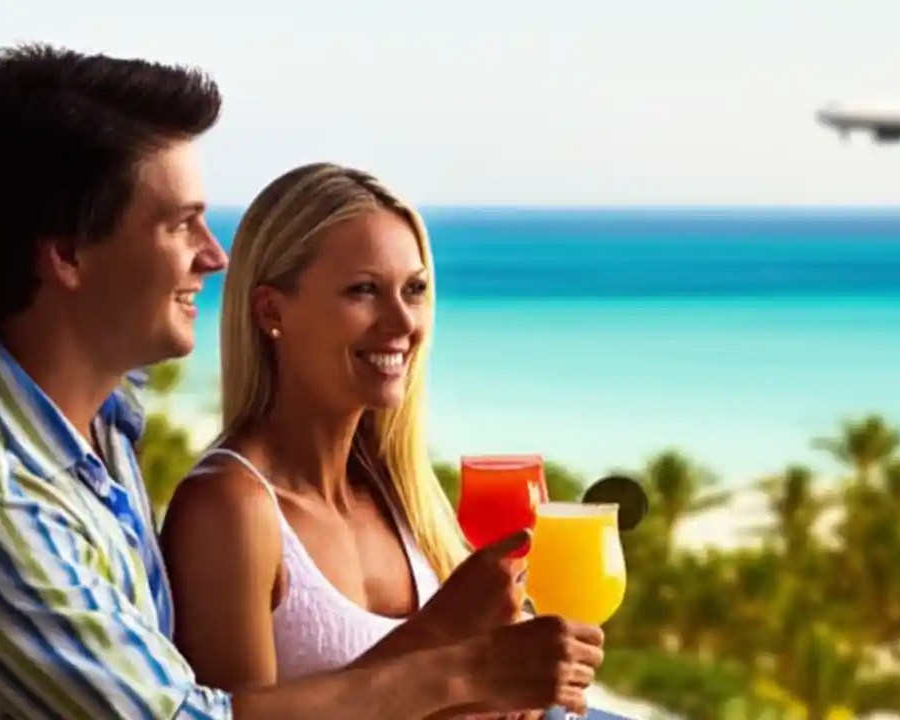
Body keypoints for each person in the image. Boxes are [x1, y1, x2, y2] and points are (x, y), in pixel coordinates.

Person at [0, 43, 603, 719]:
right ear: (68, 255)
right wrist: (464, 666)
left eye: (416, 289)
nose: (215, 256)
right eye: (181, 224)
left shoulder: (98, 432)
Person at [157, 161, 587, 717]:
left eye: (414, 290)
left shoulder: (400, 492)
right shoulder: (229, 508)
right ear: (270, 311)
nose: (402, 322)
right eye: (363, 291)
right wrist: (444, 635)